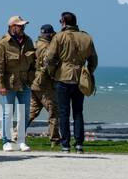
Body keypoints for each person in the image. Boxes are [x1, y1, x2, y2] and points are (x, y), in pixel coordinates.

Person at [42, 11, 98, 153]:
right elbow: (93, 60)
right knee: (78, 112)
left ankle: (65, 144)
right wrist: (88, 73)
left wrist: (52, 72)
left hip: (63, 78)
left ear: (64, 22)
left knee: (63, 112)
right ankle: (79, 144)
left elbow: (49, 58)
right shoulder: (86, 37)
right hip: (80, 79)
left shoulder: (59, 37)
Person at [0, 15, 36, 151]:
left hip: (25, 83)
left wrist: (32, 79)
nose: (23, 28)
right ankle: (6, 141)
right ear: (12, 27)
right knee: (8, 113)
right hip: (9, 84)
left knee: (24, 112)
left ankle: (21, 140)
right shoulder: (2, 43)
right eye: (20, 25)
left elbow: (34, 63)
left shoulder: (28, 41)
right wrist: (1, 85)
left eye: (24, 26)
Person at [28, 23, 60, 145]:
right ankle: (55, 139)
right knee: (53, 111)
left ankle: (16, 134)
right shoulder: (47, 47)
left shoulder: (36, 44)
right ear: (50, 34)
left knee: (32, 112)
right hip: (44, 84)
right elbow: (49, 64)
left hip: (34, 82)